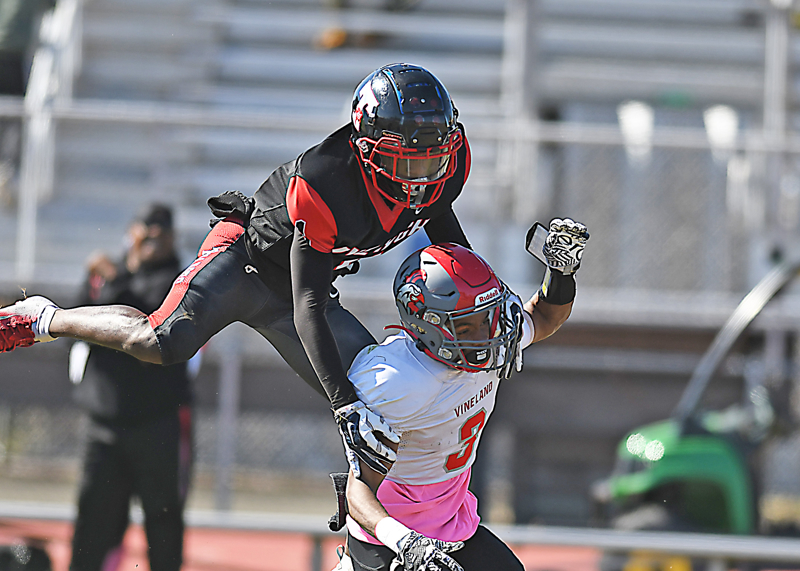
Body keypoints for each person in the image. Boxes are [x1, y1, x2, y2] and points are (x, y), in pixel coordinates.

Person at [0, 62, 472, 472]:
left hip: (298, 289)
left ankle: (379, 536)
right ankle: (45, 317)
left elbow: (441, 220)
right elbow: (308, 301)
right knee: (160, 342)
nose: (422, 177)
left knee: (383, 397)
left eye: (432, 159)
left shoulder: (444, 169)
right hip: (246, 263)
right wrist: (343, 404)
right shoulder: (324, 180)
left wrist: (492, 295)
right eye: (406, 162)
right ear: (366, 148)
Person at [333, 219, 589, 571]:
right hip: (392, 544)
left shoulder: (490, 343)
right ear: (427, 324)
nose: (485, 335)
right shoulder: (400, 381)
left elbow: (545, 316)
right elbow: (357, 491)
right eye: (466, 326)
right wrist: (403, 541)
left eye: (488, 319)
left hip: (454, 527)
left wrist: (561, 273)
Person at [68, 204, 194, 571]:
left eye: (162, 230)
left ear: (172, 238)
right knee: (92, 522)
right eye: (146, 227)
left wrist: (112, 282)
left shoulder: (180, 280)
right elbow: (72, 327)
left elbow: (148, 329)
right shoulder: (107, 275)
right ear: (131, 231)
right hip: (103, 426)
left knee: (163, 523)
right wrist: (98, 282)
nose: (153, 235)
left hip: (157, 426)